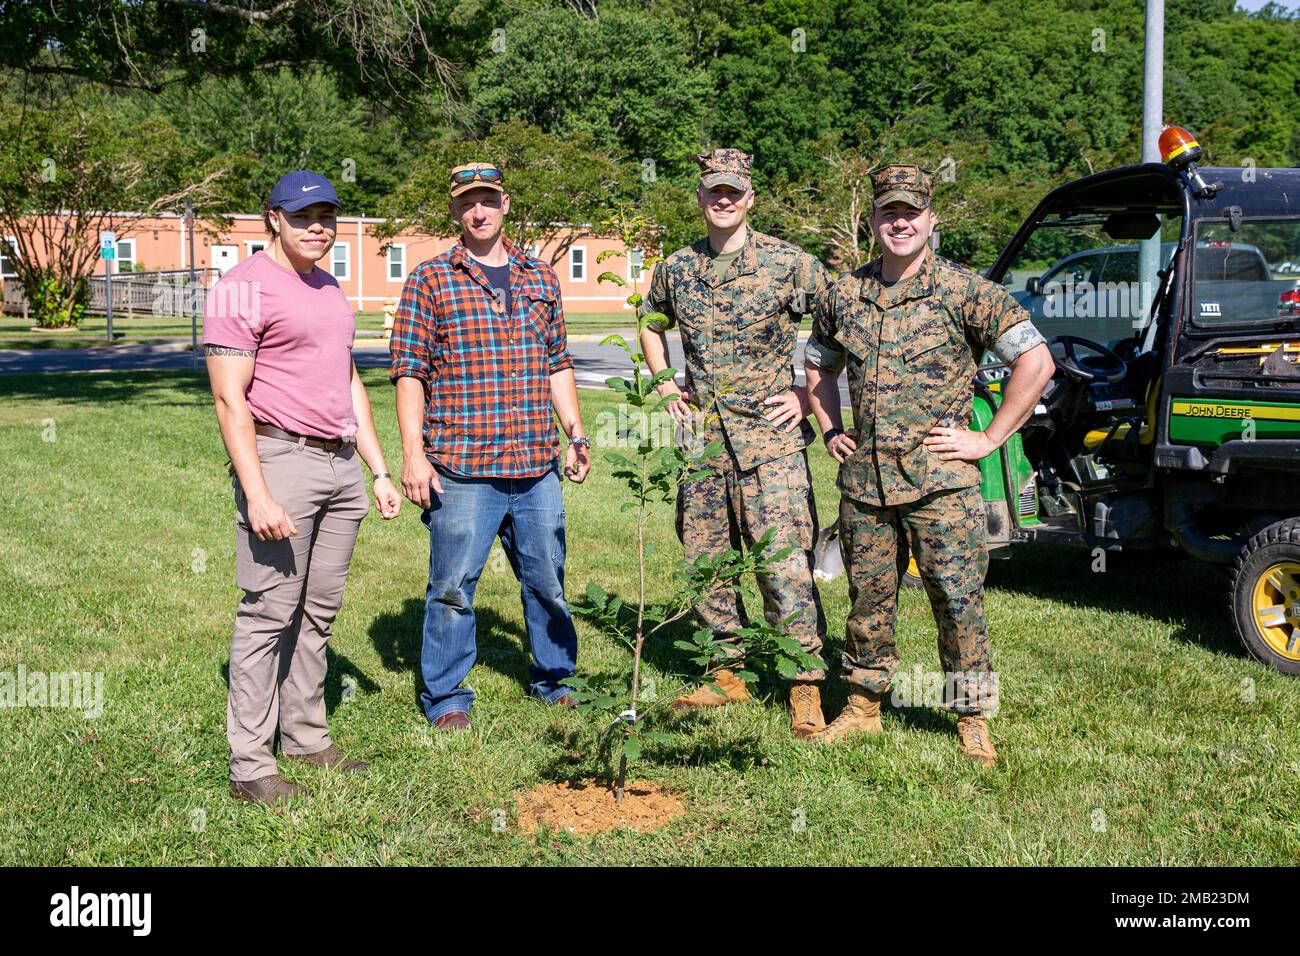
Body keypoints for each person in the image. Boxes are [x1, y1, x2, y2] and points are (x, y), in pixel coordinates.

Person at [803, 164, 1055, 765]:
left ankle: (970, 717)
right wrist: (831, 427)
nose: (900, 223)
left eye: (910, 213)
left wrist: (989, 438)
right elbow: (819, 365)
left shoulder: (967, 292)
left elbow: (1037, 362)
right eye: (888, 212)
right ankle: (864, 706)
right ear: (871, 222)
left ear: (930, 221)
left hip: (941, 484)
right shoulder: (844, 295)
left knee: (957, 600)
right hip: (866, 484)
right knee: (867, 598)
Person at [204, 170, 402, 804]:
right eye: (302, 215)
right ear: (273, 218)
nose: (318, 226)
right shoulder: (240, 290)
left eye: (327, 215)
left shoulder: (329, 287)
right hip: (281, 458)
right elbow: (229, 398)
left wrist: (377, 468)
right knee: (268, 611)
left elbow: (347, 382)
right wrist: (257, 492)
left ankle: (307, 738)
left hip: (341, 464)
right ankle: (251, 765)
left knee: (318, 612)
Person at [390, 162, 591, 732]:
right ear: (455, 211)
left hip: (535, 463)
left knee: (547, 579)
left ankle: (556, 678)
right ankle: (447, 696)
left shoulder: (541, 277)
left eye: (488, 200)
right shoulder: (431, 279)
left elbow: (557, 362)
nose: (478, 211)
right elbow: (410, 372)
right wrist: (412, 454)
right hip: (461, 466)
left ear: (505, 204)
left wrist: (574, 433)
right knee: (453, 586)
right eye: (466, 203)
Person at [638, 148, 830, 738]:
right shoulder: (677, 269)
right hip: (702, 444)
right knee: (706, 562)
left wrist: (805, 396)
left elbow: (835, 329)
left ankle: (804, 684)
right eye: (712, 192)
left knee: (784, 560)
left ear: (749, 198)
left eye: (733, 192)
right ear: (700, 198)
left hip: (769, 443)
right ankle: (728, 672)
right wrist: (666, 382)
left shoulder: (789, 263)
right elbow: (649, 323)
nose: (723, 201)